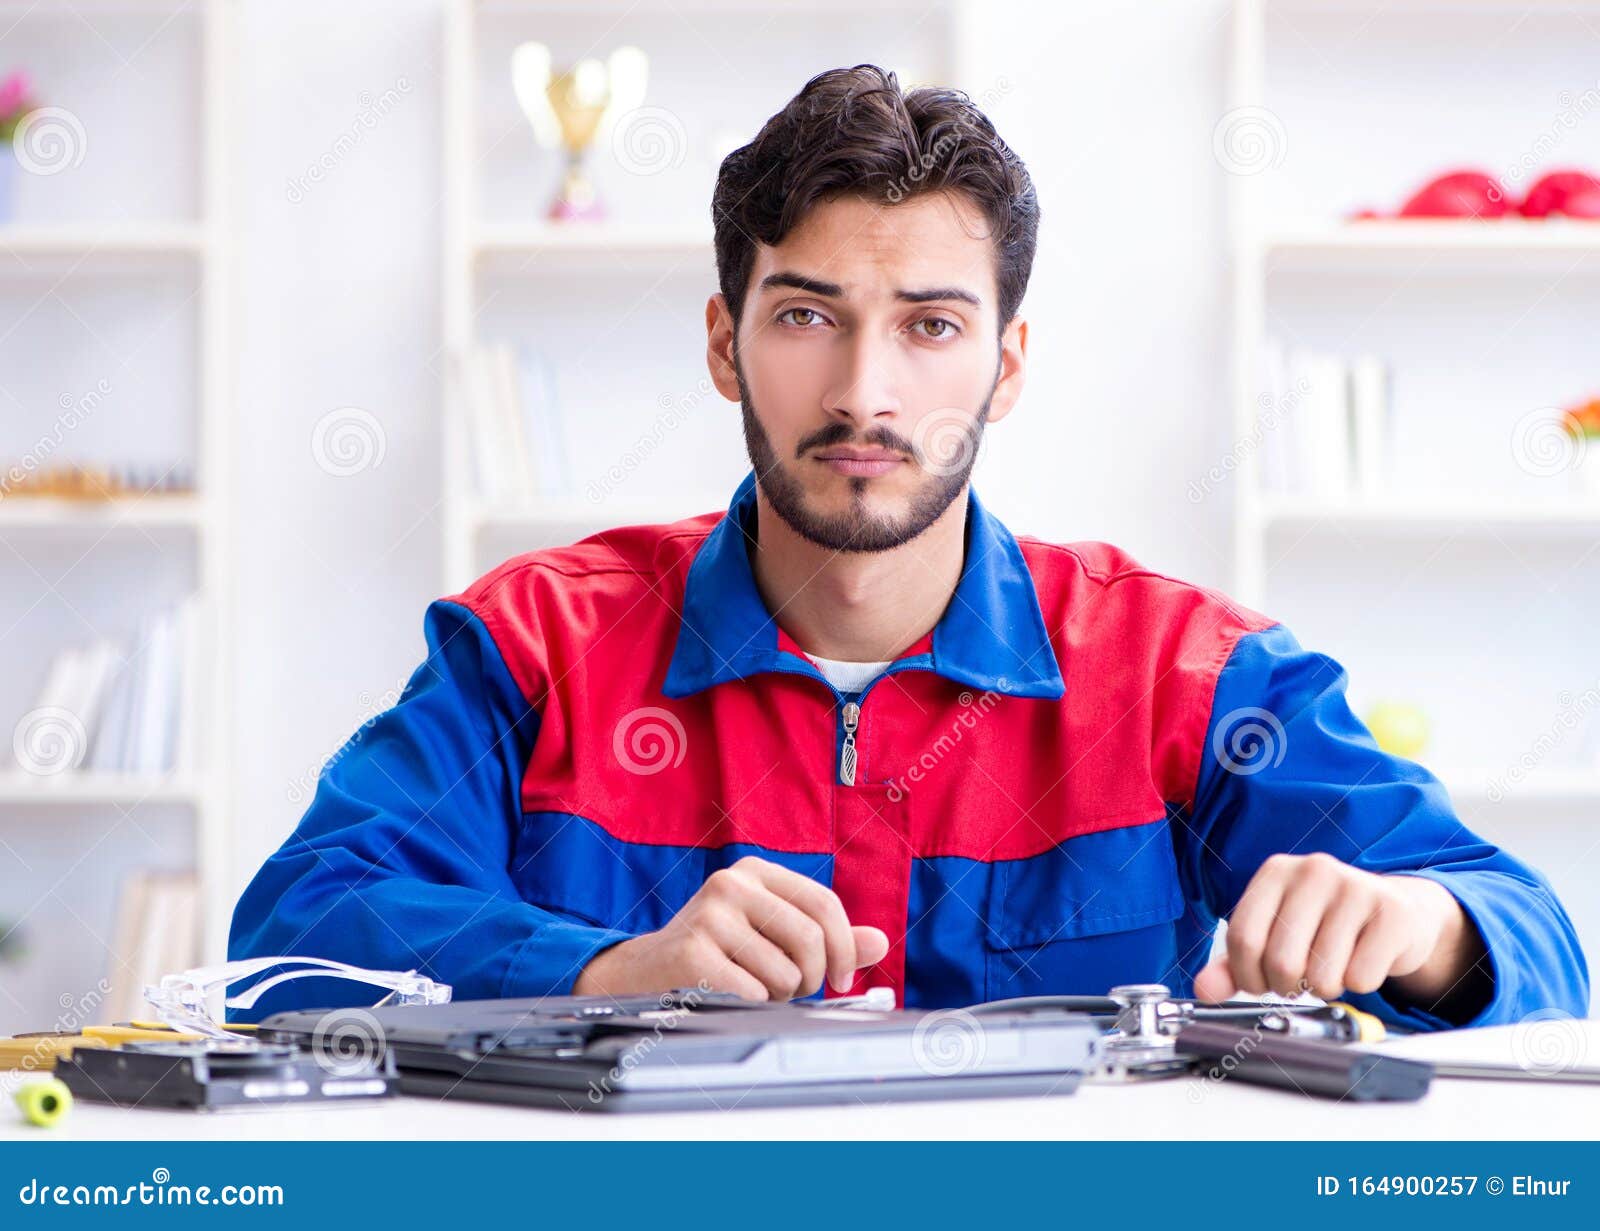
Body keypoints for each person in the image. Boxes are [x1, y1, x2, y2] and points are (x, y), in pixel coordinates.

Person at [229, 65, 1587, 1029]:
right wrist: (605, 973)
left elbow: (1539, 942)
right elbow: (289, 939)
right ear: (726, 344)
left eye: (931, 325)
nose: (866, 393)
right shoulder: (536, 648)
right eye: (809, 316)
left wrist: (1421, 932)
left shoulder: (1188, 674)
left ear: (1006, 366)